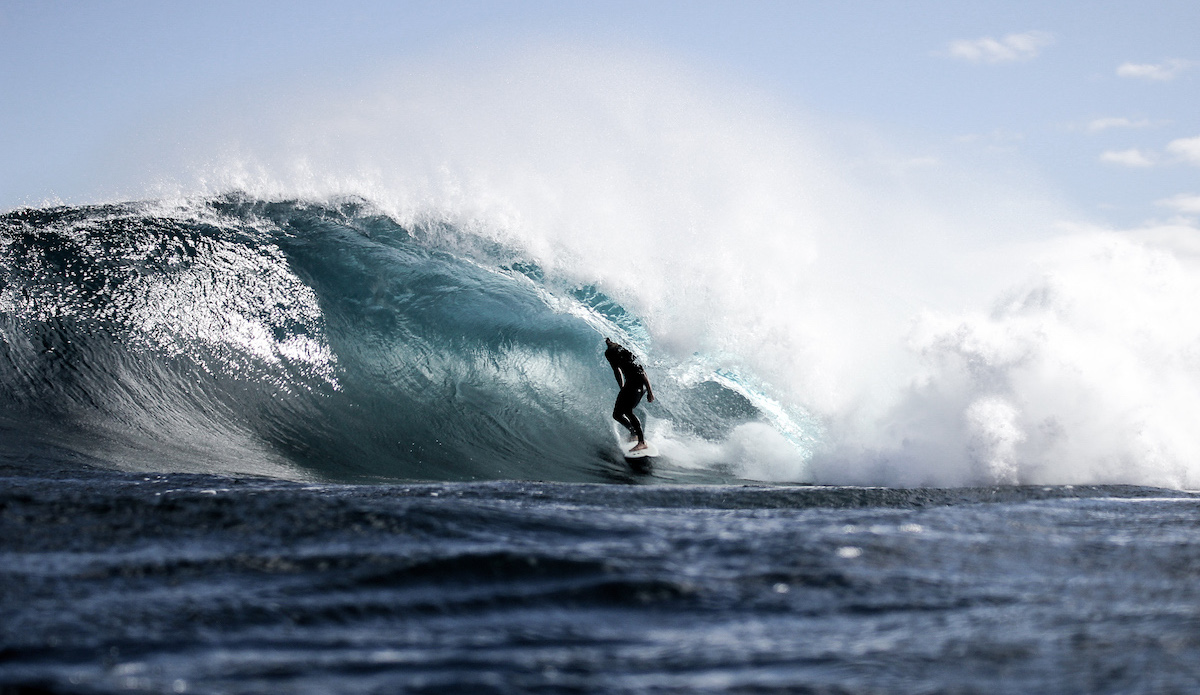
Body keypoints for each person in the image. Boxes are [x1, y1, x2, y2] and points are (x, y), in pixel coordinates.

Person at [604, 337, 655, 451]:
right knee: (617, 414)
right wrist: (622, 387)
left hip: (639, 384)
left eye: (610, 338)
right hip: (629, 384)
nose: (607, 340)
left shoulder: (625, 351)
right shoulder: (609, 353)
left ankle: (642, 442)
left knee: (627, 410)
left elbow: (642, 372)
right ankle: (633, 433)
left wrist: (650, 392)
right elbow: (617, 371)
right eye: (606, 338)